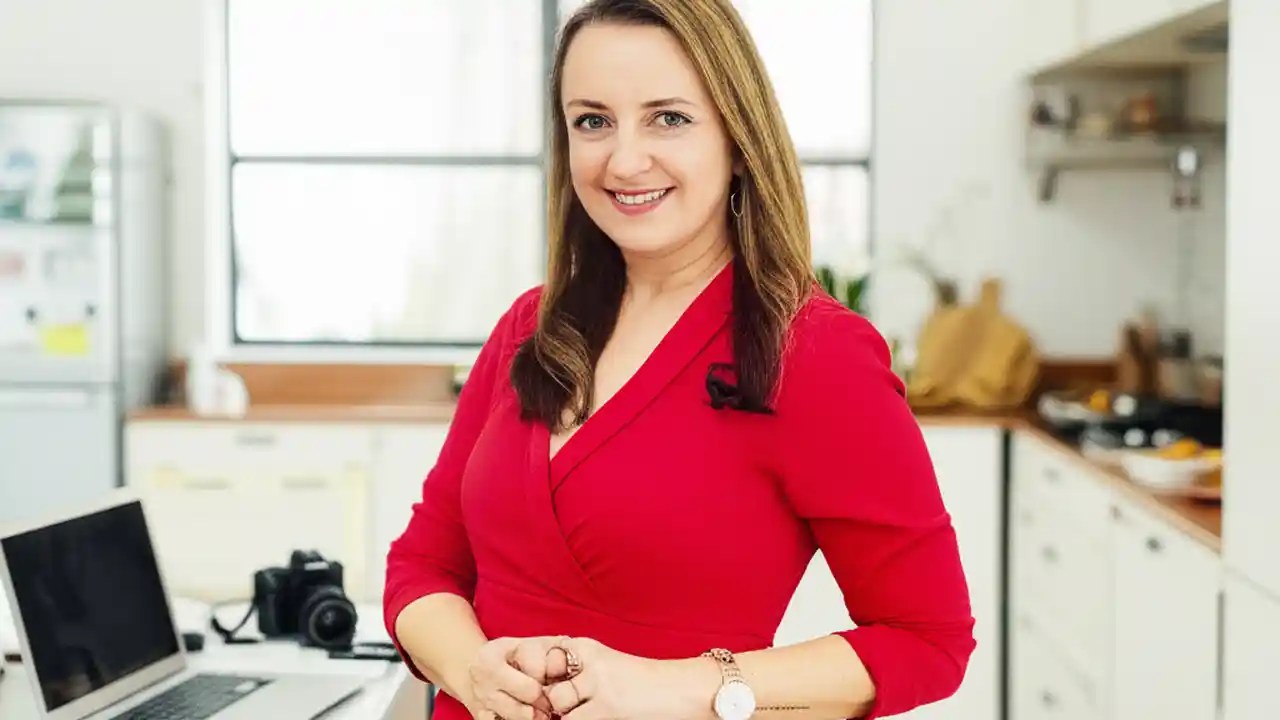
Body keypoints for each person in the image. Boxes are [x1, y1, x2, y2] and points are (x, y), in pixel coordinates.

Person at [384, 1, 975, 718]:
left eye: (668, 118)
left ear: (737, 137)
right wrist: (472, 671)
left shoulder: (817, 354)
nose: (624, 160)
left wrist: (673, 686)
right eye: (592, 121)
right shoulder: (530, 328)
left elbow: (927, 640)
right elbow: (423, 565)